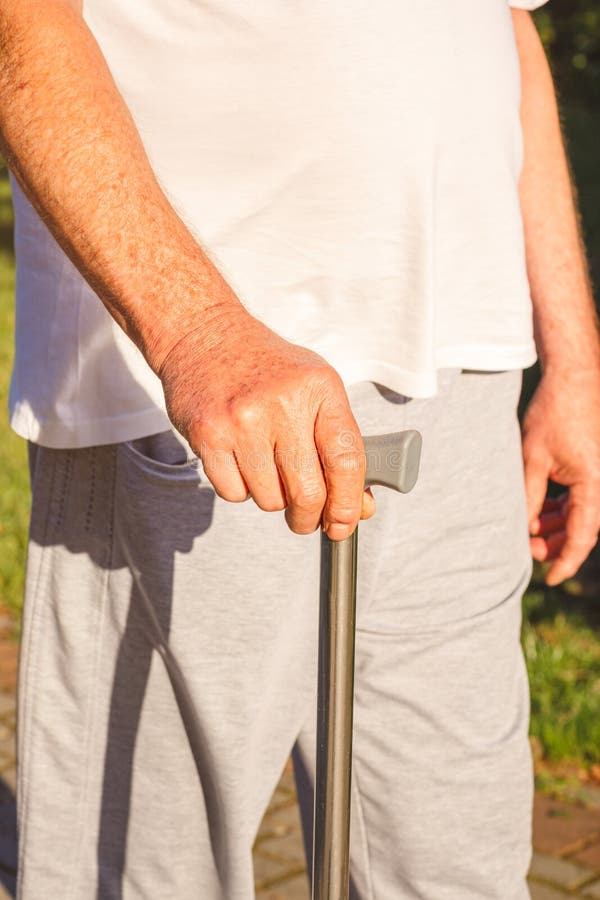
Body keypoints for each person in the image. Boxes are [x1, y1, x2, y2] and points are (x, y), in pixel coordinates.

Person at [1, 0, 599, 897]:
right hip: (208, 390)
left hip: (466, 379)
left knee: (457, 872)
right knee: (145, 876)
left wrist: (576, 362)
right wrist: (199, 334)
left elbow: (504, 27)